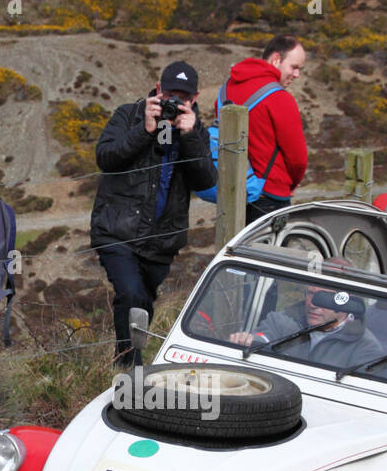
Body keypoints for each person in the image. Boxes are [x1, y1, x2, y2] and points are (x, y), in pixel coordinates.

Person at [91, 61, 215, 366]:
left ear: (194, 99)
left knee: (142, 304)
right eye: (169, 95)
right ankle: (128, 370)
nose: (174, 103)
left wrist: (189, 138)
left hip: (160, 241)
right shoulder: (129, 114)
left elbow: (206, 182)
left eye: (182, 99)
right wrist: (144, 130)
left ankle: (127, 364)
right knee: (131, 295)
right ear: (157, 90)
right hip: (117, 231)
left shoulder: (195, 130)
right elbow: (106, 157)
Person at [221, 36, 309, 225]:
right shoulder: (280, 98)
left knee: (233, 251)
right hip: (269, 195)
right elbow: (298, 157)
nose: (297, 75)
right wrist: (291, 184)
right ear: (276, 59)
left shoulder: (226, 89)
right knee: (269, 254)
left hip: (231, 191)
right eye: (294, 67)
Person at [227, 283, 386, 369]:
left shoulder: (367, 348)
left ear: (345, 302)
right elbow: (263, 338)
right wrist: (248, 340)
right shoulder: (282, 321)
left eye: (323, 298)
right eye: (310, 293)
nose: (312, 304)